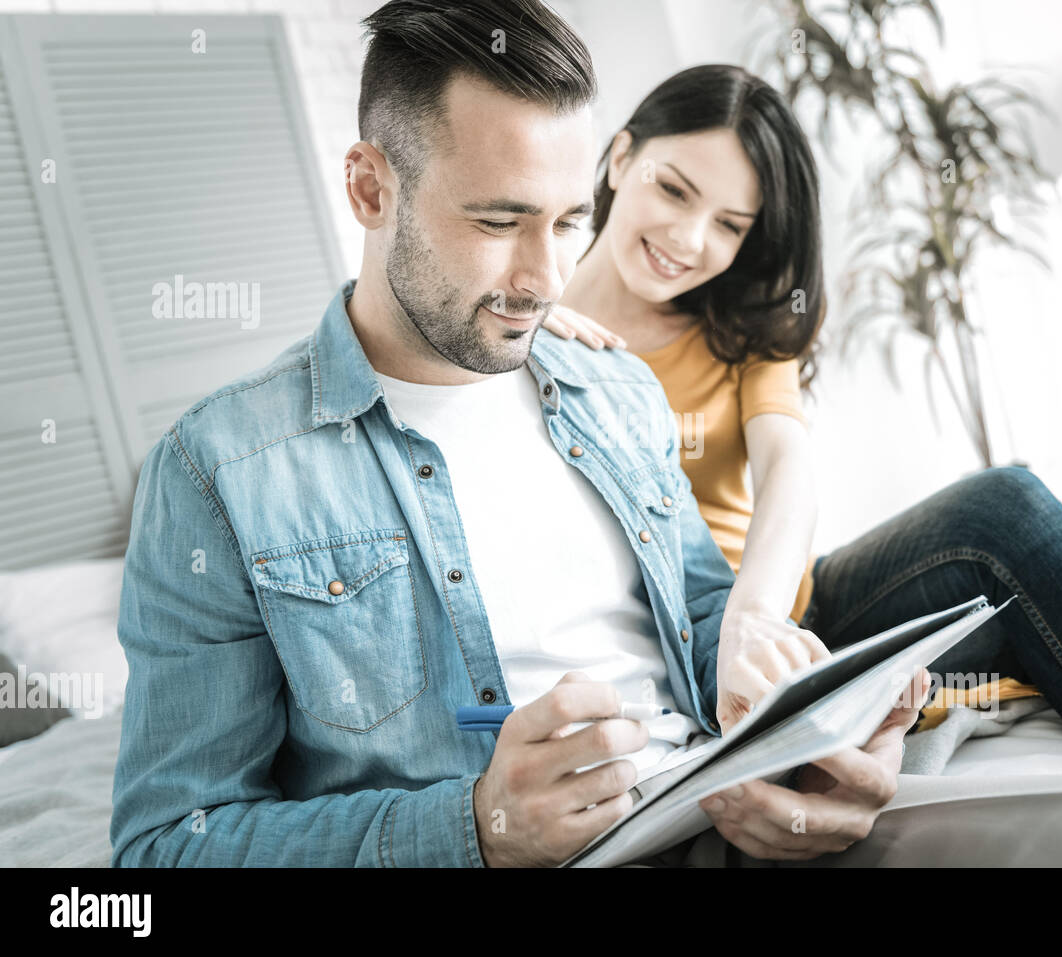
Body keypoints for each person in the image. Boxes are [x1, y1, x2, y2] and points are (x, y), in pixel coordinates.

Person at [109, 0, 930, 869]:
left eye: (570, 221)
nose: (546, 280)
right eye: (500, 223)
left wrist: (818, 718)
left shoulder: (614, 389)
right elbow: (167, 845)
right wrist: (479, 825)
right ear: (370, 189)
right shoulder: (218, 473)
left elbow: (701, 617)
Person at [548, 63, 1062, 817]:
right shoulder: (523, 330)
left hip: (793, 612)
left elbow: (788, 470)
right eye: (673, 189)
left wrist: (757, 618)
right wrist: (531, 331)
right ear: (619, 158)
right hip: (702, 652)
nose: (688, 238)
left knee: (1022, 533)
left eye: (729, 226)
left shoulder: (740, 328)